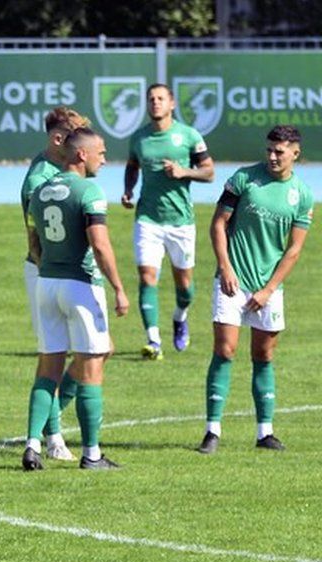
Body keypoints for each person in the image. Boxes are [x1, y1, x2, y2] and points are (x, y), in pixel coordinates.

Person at [198, 125, 313, 454]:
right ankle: (212, 431)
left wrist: (269, 289)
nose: (273, 156)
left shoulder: (302, 196)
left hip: (268, 289)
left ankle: (265, 433)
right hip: (231, 281)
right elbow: (218, 223)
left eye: (280, 151)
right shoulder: (243, 179)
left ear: (295, 153)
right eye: (269, 150)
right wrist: (225, 267)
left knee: (263, 355)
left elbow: (293, 250)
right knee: (225, 350)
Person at [22, 127, 129, 472]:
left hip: (47, 283)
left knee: (47, 368)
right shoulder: (89, 190)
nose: (104, 158)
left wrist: (47, 267)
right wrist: (118, 288)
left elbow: (34, 241)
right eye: (101, 152)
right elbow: (100, 245)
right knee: (91, 365)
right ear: (81, 155)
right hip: (80, 286)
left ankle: (32, 444)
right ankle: (92, 454)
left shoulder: (39, 192)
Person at [20, 107, 91, 463]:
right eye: (76, 134)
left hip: (70, 271)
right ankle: (52, 433)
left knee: (95, 353)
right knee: (54, 356)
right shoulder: (39, 180)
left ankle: (51, 415)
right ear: (58, 138)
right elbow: (34, 236)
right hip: (49, 272)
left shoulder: (67, 170)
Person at [123, 84, 214, 360]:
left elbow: (209, 172)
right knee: (147, 277)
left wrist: (183, 171)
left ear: (172, 103)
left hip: (180, 222)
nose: (155, 103)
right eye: (151, 99)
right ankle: (153, 341)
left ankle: (180, 316)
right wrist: (128, 189)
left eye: (161, 98)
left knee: (185, 287)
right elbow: (132, 166)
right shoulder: (139, 138)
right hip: (148, 220)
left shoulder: (188, 136)